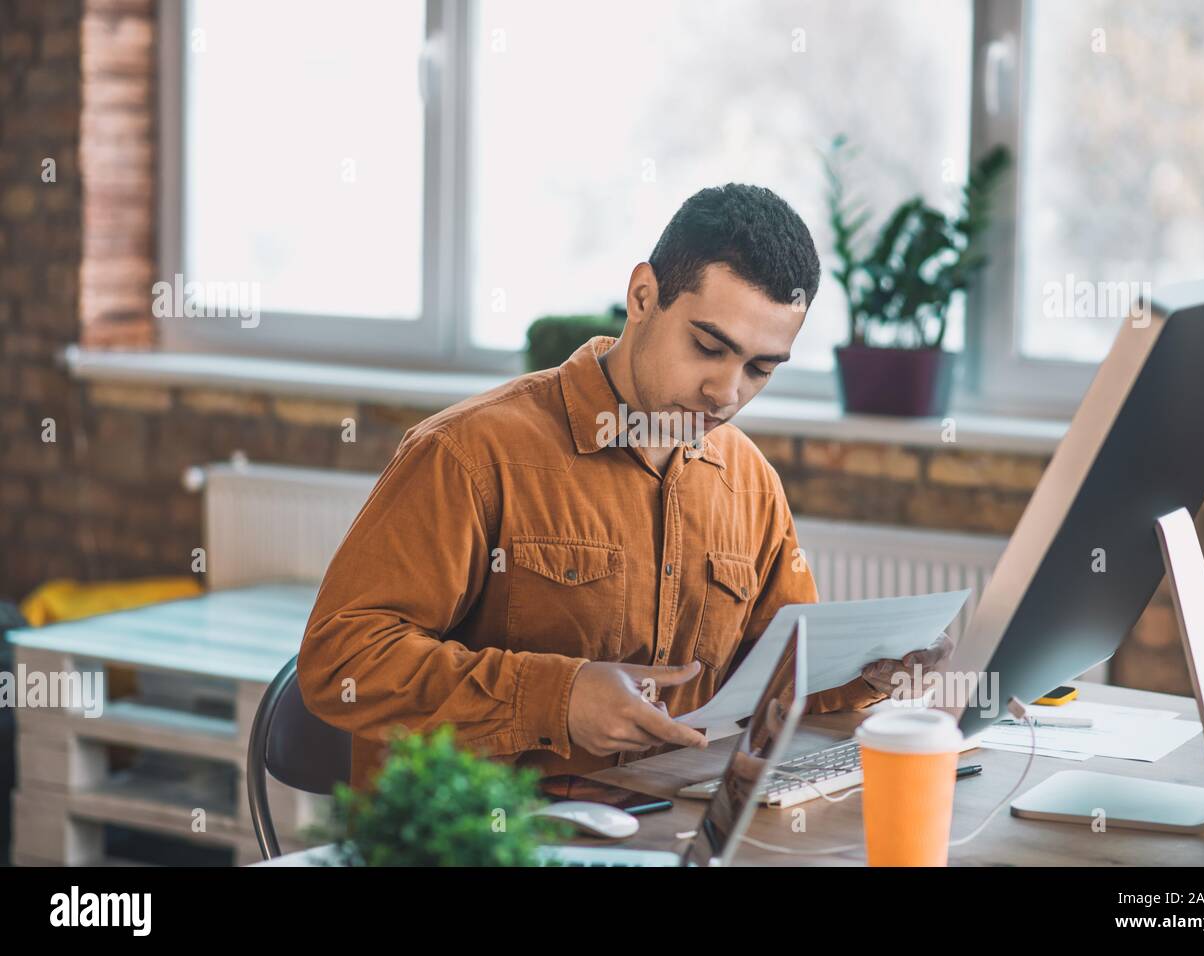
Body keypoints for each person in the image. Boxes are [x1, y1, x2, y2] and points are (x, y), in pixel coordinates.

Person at [297, 183, 952, 791]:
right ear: (643, 296)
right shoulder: (470, 453)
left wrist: (869, 674)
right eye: (707, 346)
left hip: (658, 830)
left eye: (760, 368)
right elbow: (342, 661)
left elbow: (775, 679)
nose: (726, 393)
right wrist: (558, 696)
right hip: (485, 840)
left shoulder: (749, 483)